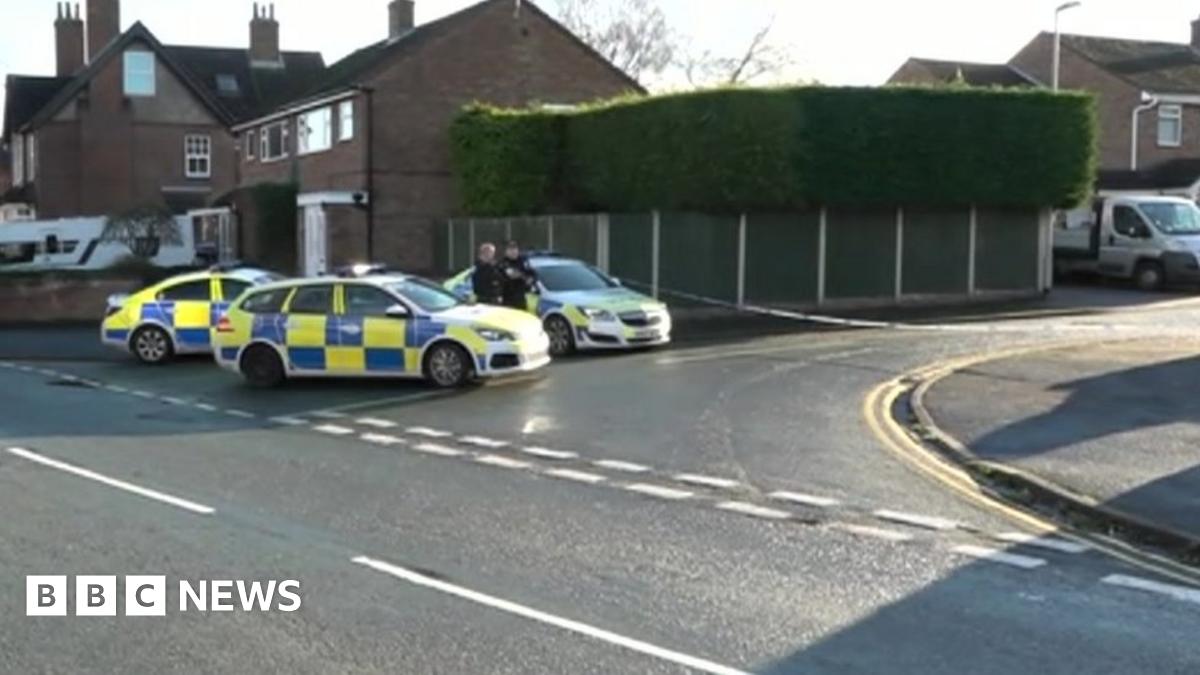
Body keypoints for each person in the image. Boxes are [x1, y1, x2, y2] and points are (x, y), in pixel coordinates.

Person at [498, 240, 538, 311]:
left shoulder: (523, 261)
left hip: (521, 297)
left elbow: (532, 273)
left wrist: (531, 279)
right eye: (510, 250)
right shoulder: (503, 264)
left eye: (515, 249)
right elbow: (504, 278)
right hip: (508, 298)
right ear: (506, 252)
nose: (513, 252)